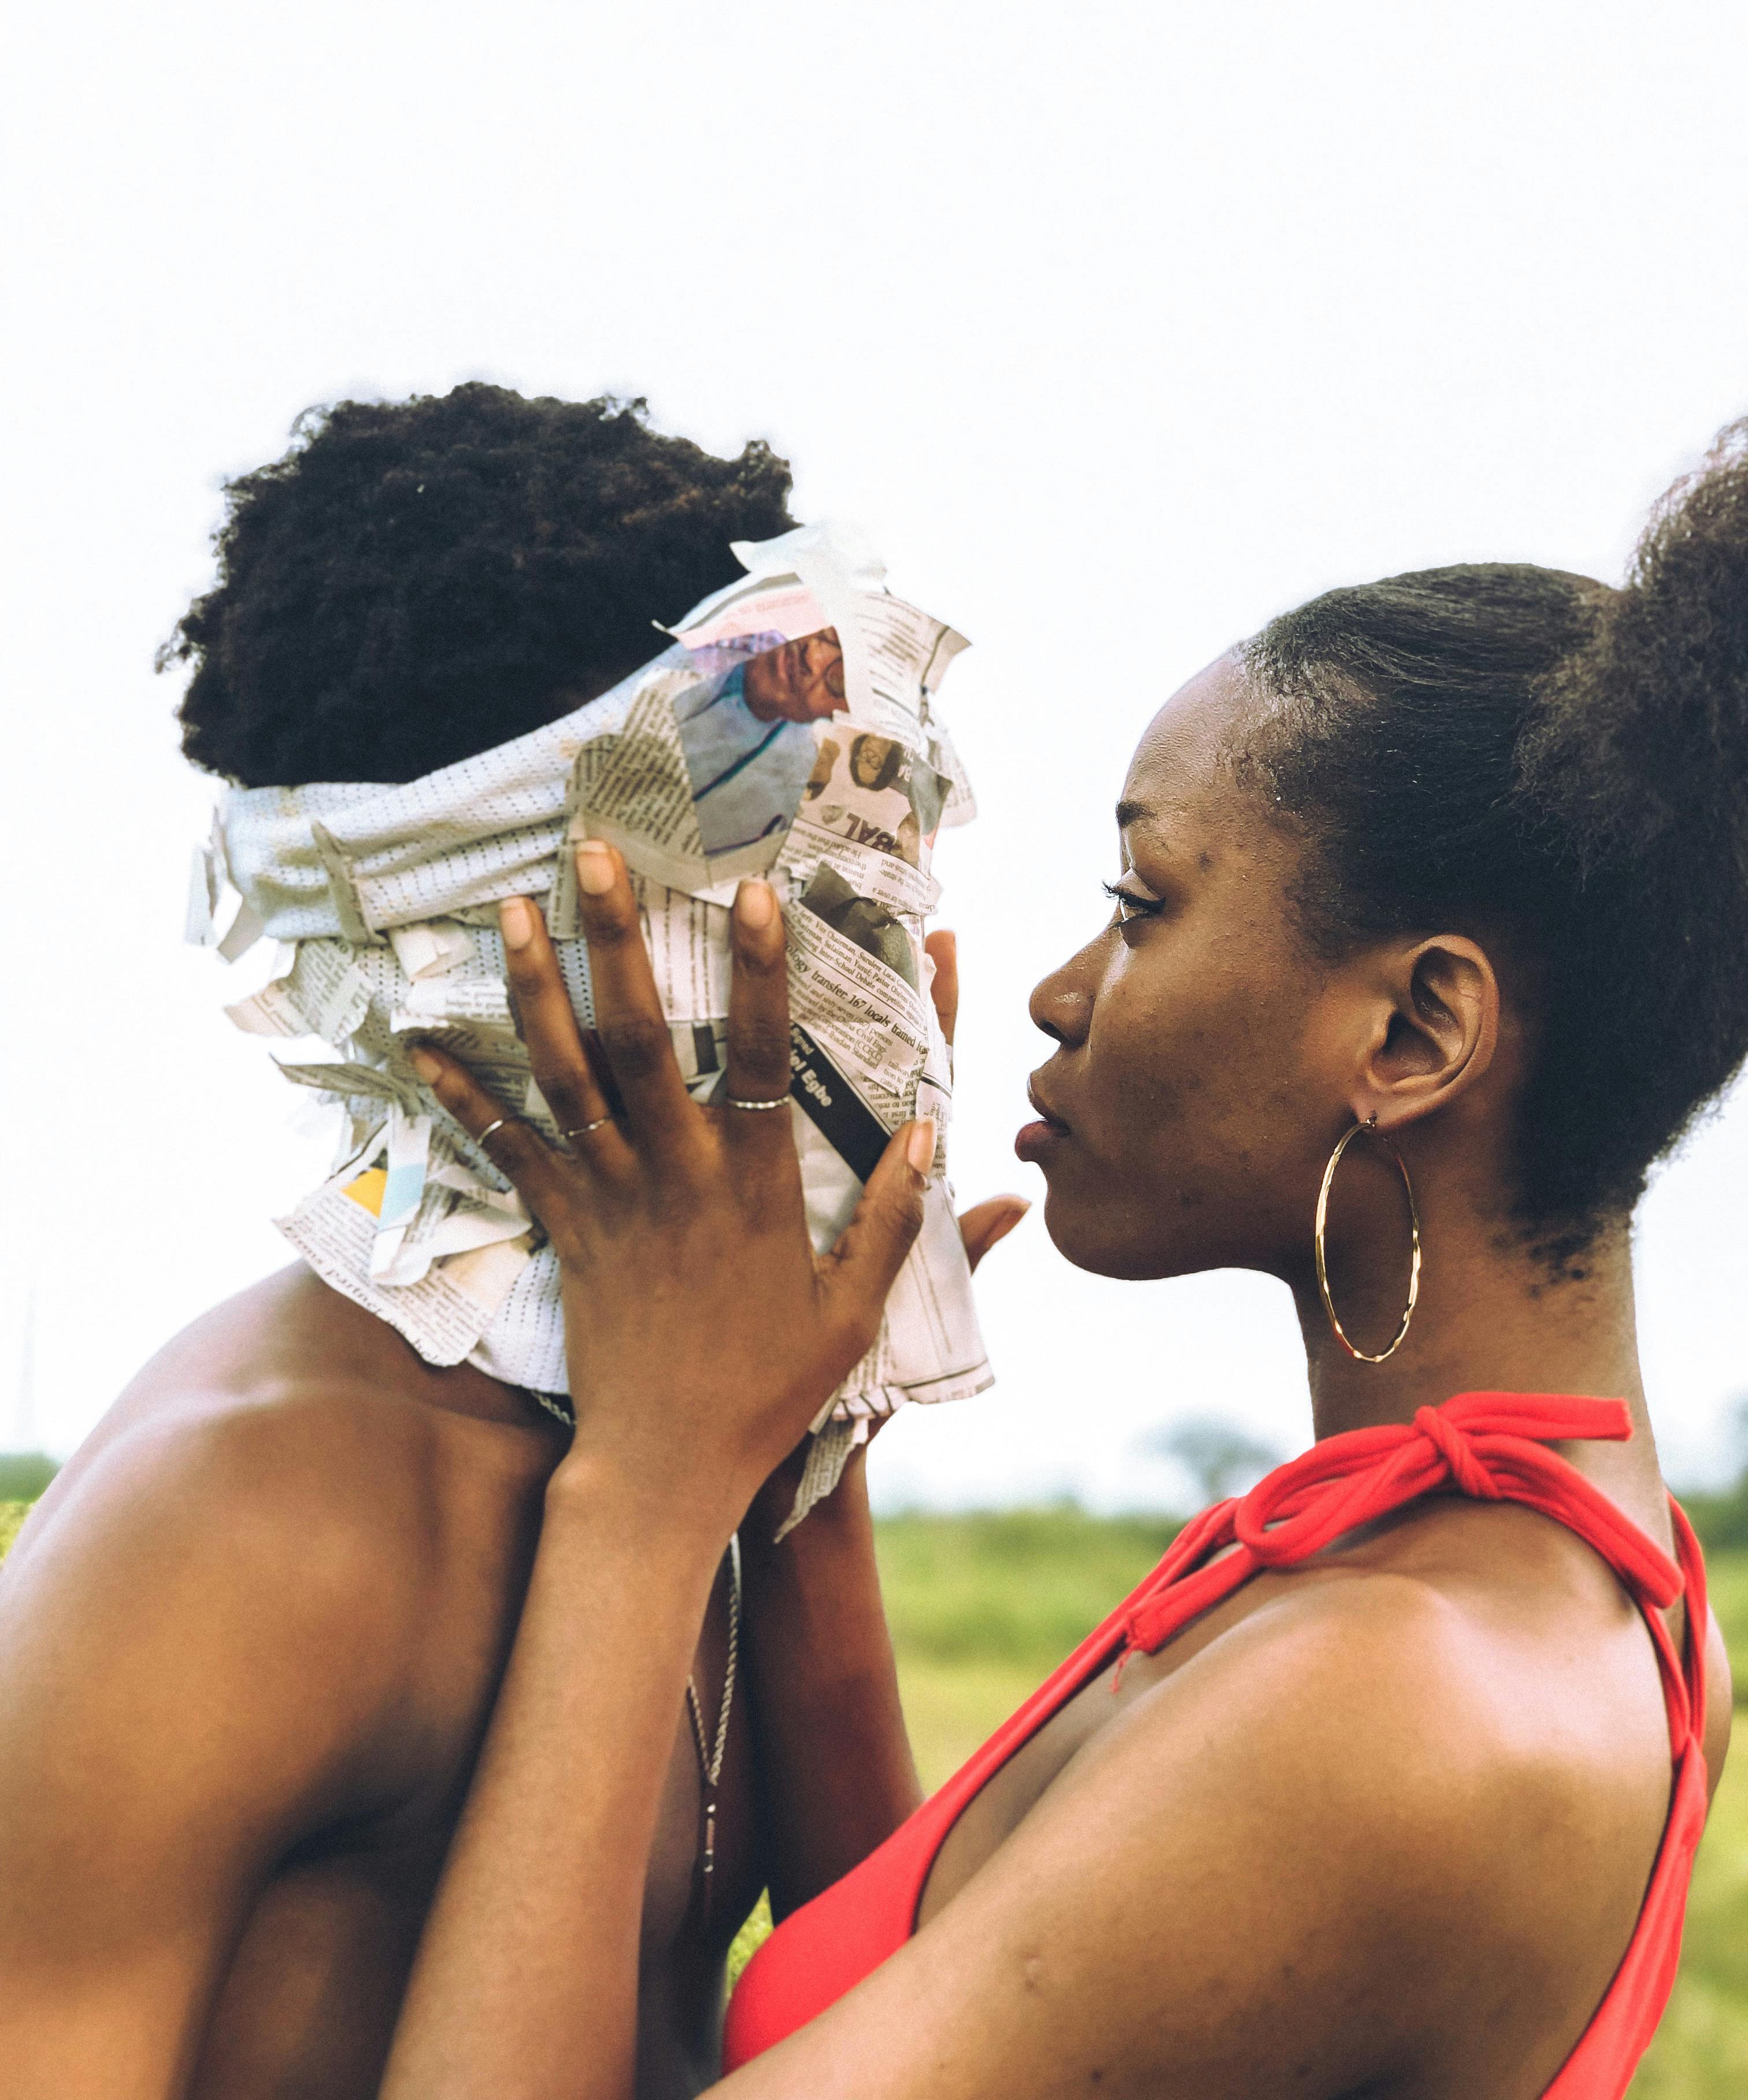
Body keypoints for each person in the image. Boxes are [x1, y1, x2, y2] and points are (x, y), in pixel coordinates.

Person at [373, 416, 1746, 2100]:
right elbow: (992, 1982)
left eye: (1146, 899)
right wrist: (810, 1453)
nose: (1063, 991)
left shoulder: (1386, 1697)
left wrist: (648, 1489)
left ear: (1415, 1029)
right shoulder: (1604, 1583)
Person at [0, 383, 1024, 2100]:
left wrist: (814, 1434)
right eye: (775, 901)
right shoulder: (246, 1529)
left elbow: (877, 2028)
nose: (859, 966)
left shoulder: (666, 1426)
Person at [675, 626, 848, 856]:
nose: (812, 656)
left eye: (837, 679)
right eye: (831, 637)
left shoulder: (789, 794)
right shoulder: (710, 635)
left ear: (839, 717)